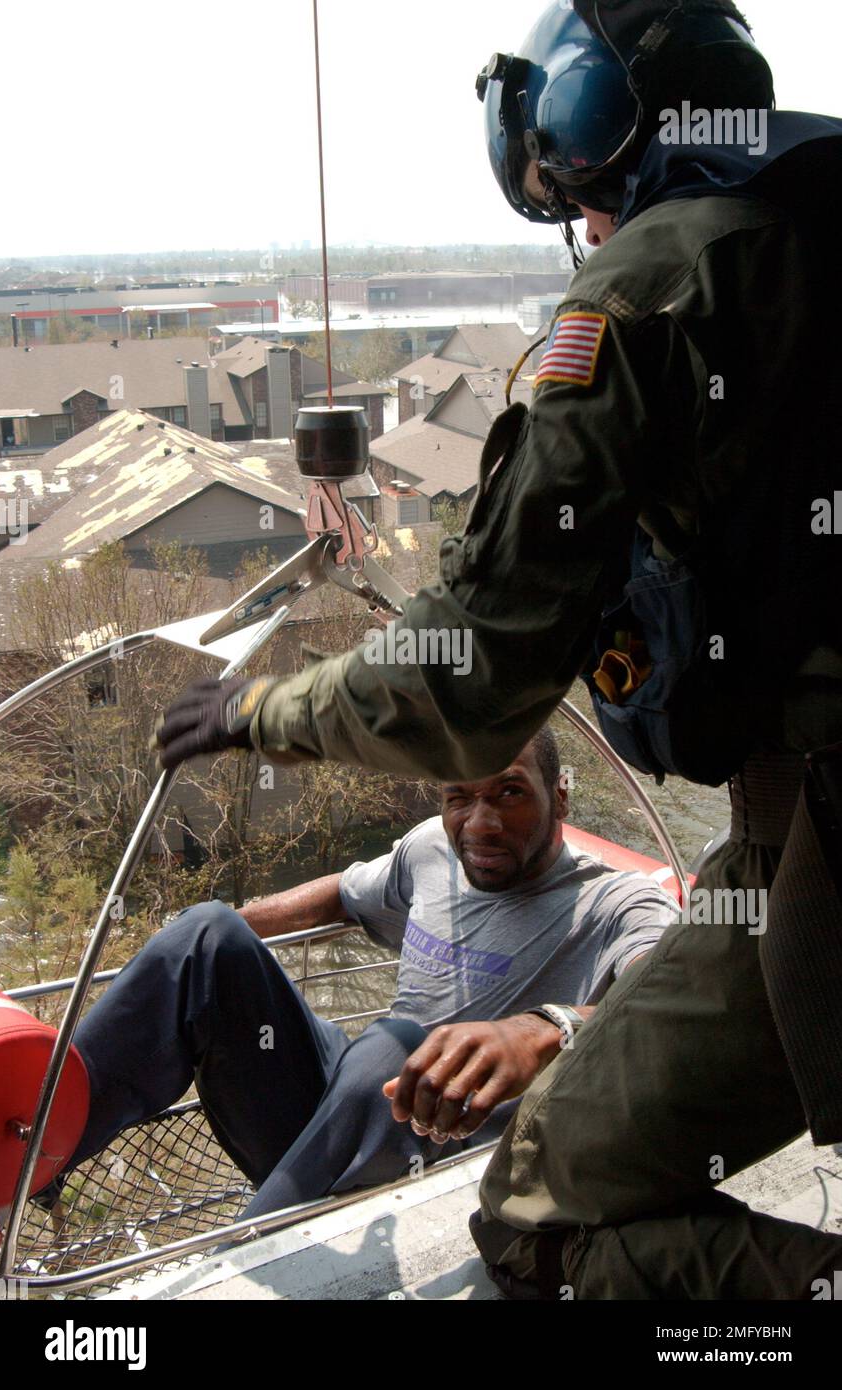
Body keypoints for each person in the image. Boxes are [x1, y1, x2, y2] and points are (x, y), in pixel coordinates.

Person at [156, 2, 842, 1297]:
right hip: (790, 846)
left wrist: (259, 712)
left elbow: (470, 679)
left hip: (809, 845)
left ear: (587, 121)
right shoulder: (808, 233)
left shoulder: (644, 291)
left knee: (541, 1209)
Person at [45, 729, 672, 1223]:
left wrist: (543, 1029)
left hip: (444, 1148)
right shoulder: (432, 848)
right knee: (204, 933)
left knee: (390, 1045)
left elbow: (670, 995)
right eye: (459, 796)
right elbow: (343, 894)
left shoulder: (617, 905)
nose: (479, 823)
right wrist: (222, 937)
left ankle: (238, 1259)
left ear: (559, 795)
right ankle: (31, 1154)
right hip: (342, 1107)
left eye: (509, 792)